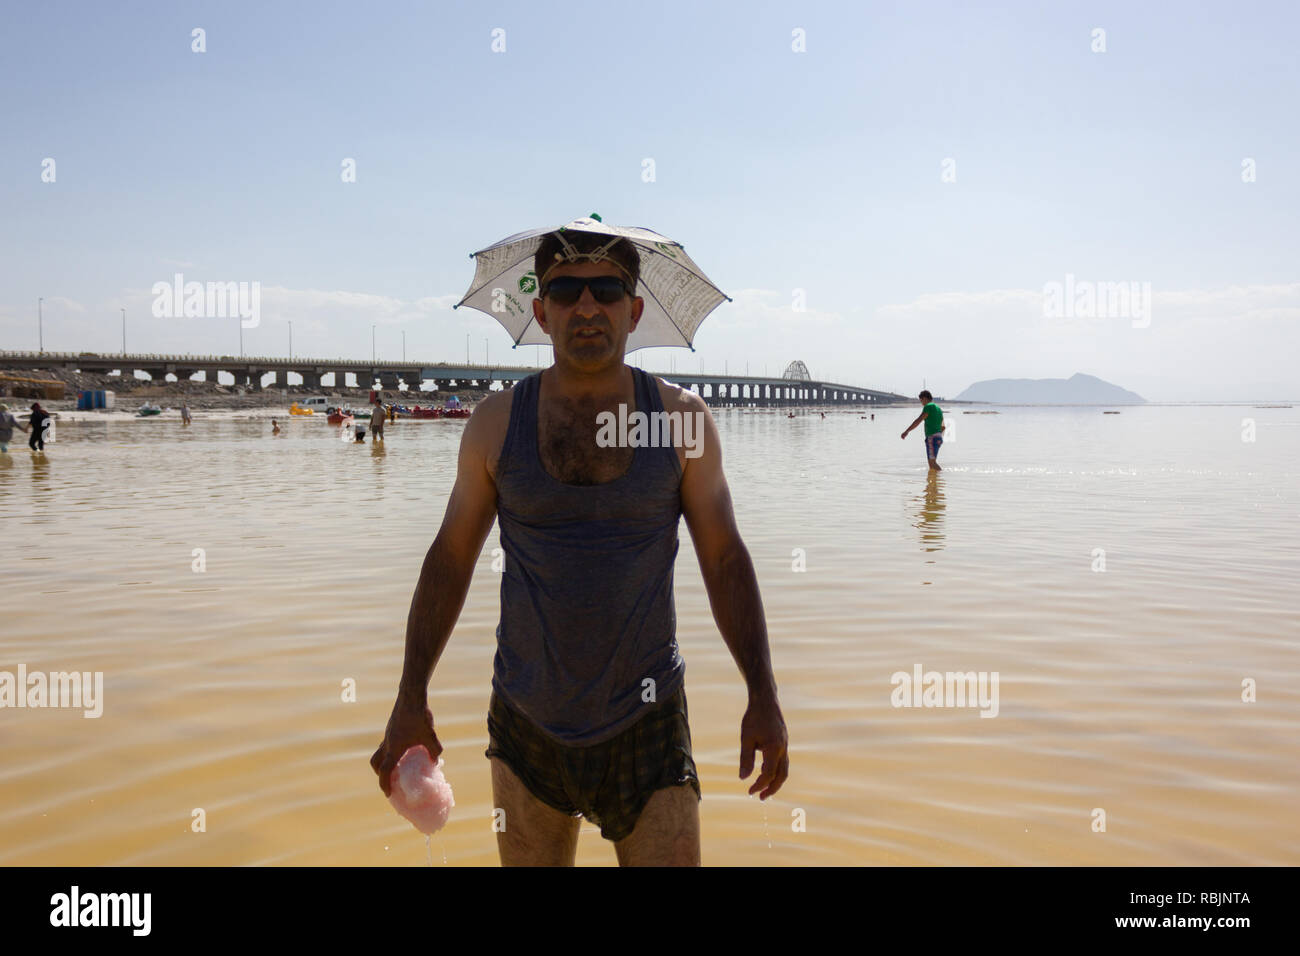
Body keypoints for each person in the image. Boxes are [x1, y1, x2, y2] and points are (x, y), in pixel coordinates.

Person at [371, 229, 787, 866]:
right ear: (541, 312)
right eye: (565, 290)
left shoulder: (680, 419)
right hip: (526, 723)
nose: (586, 306)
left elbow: (725, 557)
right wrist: (409, 698)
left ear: (634, 309)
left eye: (607, 290)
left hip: (647, 725)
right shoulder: (496, 424)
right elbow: (450, 559)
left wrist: (763, 693)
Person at [901, 389, 945, 470]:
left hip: (932, 437)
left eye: (921, 401)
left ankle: (941, 479)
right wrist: (938, 436)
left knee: (932, 463)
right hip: (939, 437)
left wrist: (907, 431)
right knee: (932, 463)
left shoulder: (928, 406)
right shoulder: (938, 409)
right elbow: (943, 427)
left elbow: (919, 420)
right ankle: (935, 481)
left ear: (924, 398)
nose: (921, 403)